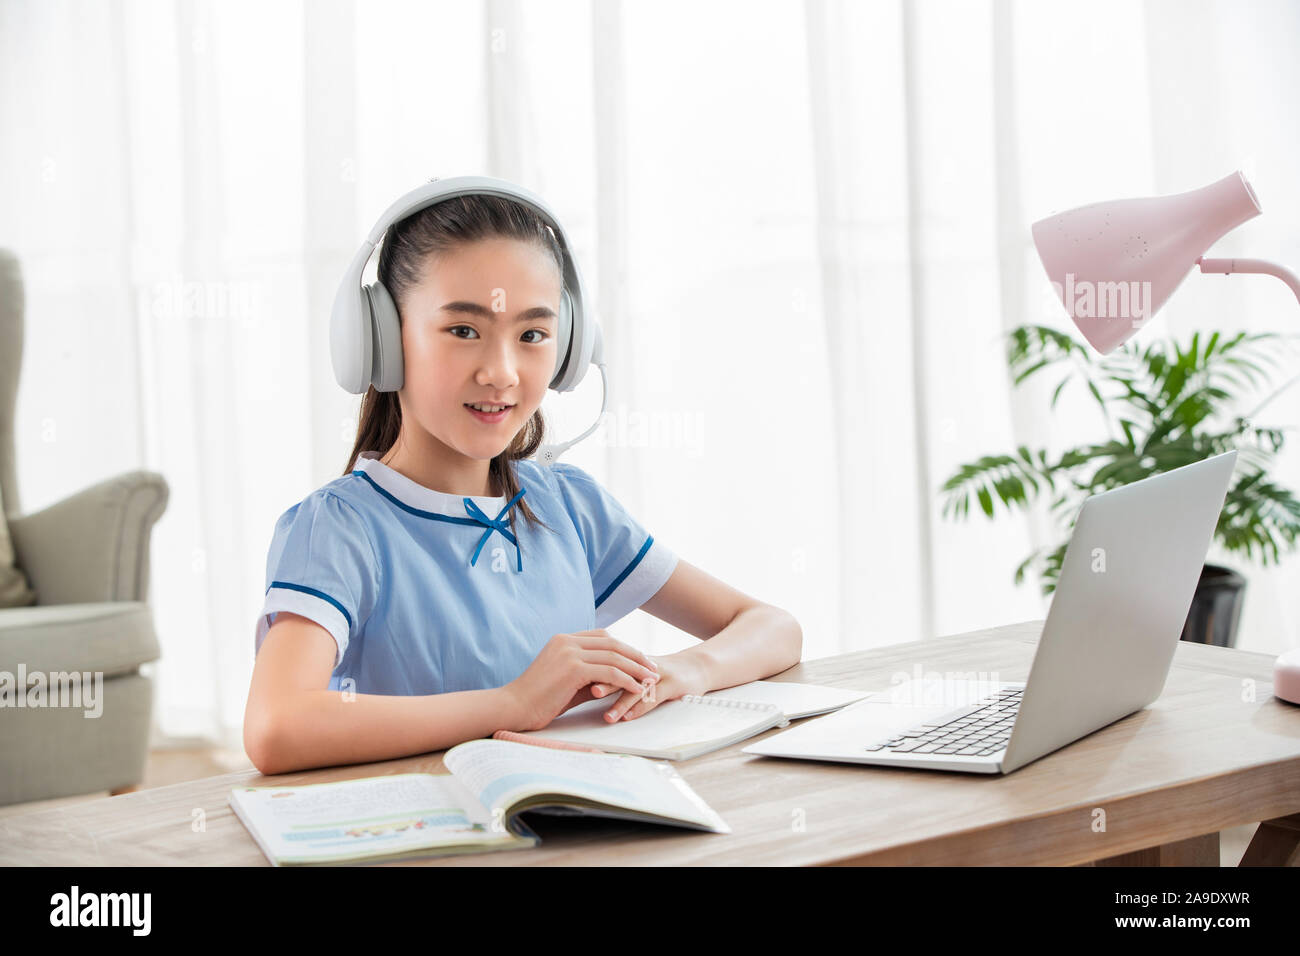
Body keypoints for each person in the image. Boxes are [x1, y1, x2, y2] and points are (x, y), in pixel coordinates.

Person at [243, 188, 802, 775]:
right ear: (381, 339)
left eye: (532, 335)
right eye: (463, 330)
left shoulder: (568, 506)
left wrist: (683, 671)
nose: (501, 373)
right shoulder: (339, 529)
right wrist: (514, 704)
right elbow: (276, 726)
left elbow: (774, 627)